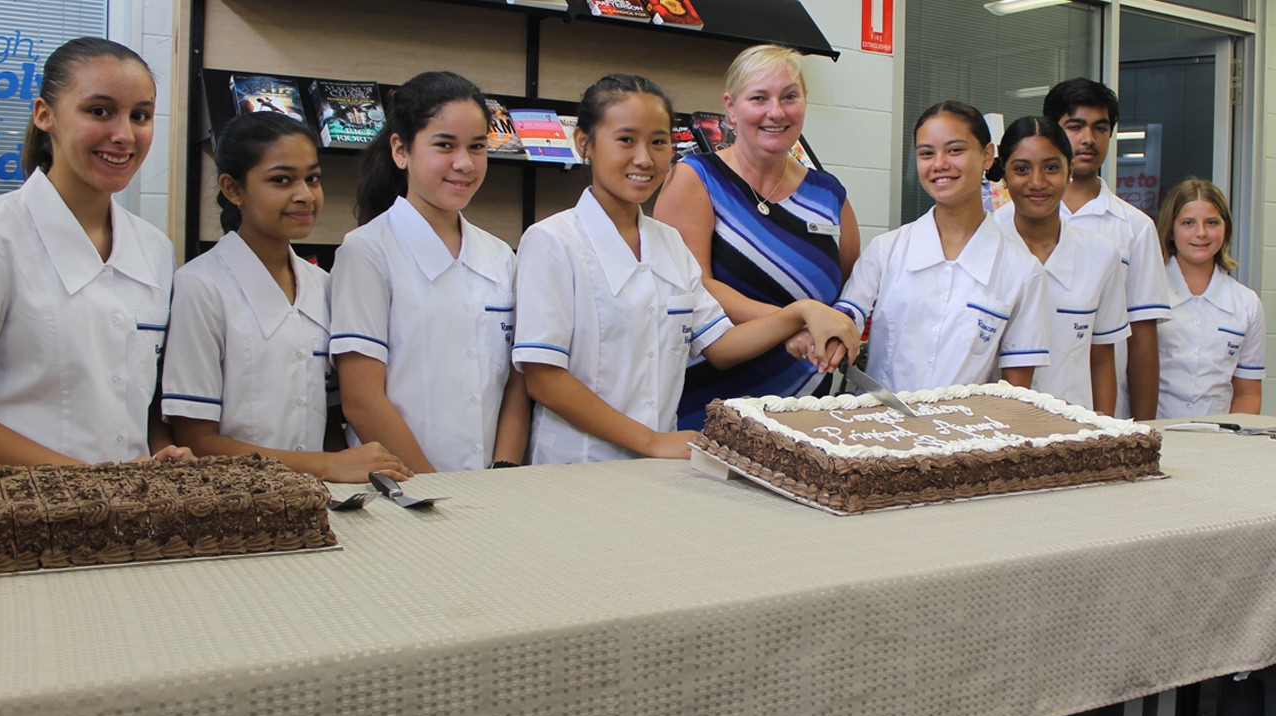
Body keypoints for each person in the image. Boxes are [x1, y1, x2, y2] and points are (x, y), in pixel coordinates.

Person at [513, 74, 859, 466]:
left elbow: (722, 348)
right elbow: (544, 380)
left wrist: (801, 312)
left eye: (659, 142)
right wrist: (651, 441)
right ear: (584, 143)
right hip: (578, 465)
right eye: (626, 139)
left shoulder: (668, 244)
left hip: (659, 468)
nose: (644, 158)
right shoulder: (552, 241)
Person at [161, 112, 410, 483]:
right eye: (281, 180)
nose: (304, 195)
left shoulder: (321, 284)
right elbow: (195, 441)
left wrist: (343, 463)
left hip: (316, 499)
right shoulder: (201, 287)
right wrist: (325, 465)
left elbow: (326, 417)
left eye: (312, 179)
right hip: (233, 501)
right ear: (233, 189)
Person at [0, 37, 190, 466]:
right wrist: (95, 484)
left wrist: (161, 451)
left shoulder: (155, 249)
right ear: (45, 115)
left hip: (132, 518)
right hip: (23, 518)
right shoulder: (4, 237)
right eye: (99, 111)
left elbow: (137, 403)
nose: (123, 135)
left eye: (140, 115)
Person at [330, 71, 530, 473]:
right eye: (444, 146)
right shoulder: (367, 252)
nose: (464, 164)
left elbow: (516, 381)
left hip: (492, 489)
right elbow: (361, 400)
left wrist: (504, 469)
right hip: (405, 486)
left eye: (477, 147)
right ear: (401, 151)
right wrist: (431, 484)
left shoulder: (499, 255)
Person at [653, 44, 861, 430]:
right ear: (730, 107)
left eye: (789, 97)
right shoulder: (696, 178)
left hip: (812, 409)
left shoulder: (829, 194)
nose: (776, 112)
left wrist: (837, 328)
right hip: (711, 405)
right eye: (759, 98)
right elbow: (695, 287)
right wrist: (797, 321)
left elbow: (852, 290)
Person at [835, 101, 1051, 393]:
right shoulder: (885, 251)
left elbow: (1016, 392)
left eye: (955, 150)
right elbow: (846, 318)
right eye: (927, 153)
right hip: (876, 428)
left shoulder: (1023, 272)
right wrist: (829, 337)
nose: (939, 164)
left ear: (987, 155)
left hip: (964, 435)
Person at [1039, 78, 1171, 420]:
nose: (1088, 139)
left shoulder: (1135, 227)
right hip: (1020, 404)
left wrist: (1142, 428)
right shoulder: (1010, 219)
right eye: (1075, 126)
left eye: (1100, 128)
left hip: (1103, 411)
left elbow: (1142, 338)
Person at [991, 116, 1128, 413]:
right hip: (994, 431)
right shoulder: (983, 249)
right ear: (1004, 176)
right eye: (1022, 169)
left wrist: (1102, 437)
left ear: (1069, 171)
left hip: (1073, 432)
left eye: (1051, 167)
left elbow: (1102, 358)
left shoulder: (1101, 255)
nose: (1037, 182)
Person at [1155, 178, 1264, 417]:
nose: (1201, 233)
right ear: (1170, 230)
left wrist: (1233, 442)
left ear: (1226, 229)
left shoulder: (1246, 303)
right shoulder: (1147, 292)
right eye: (1188, 223)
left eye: (1212, 222)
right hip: (1150, 435)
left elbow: (1248, 392)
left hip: (1216, 442)